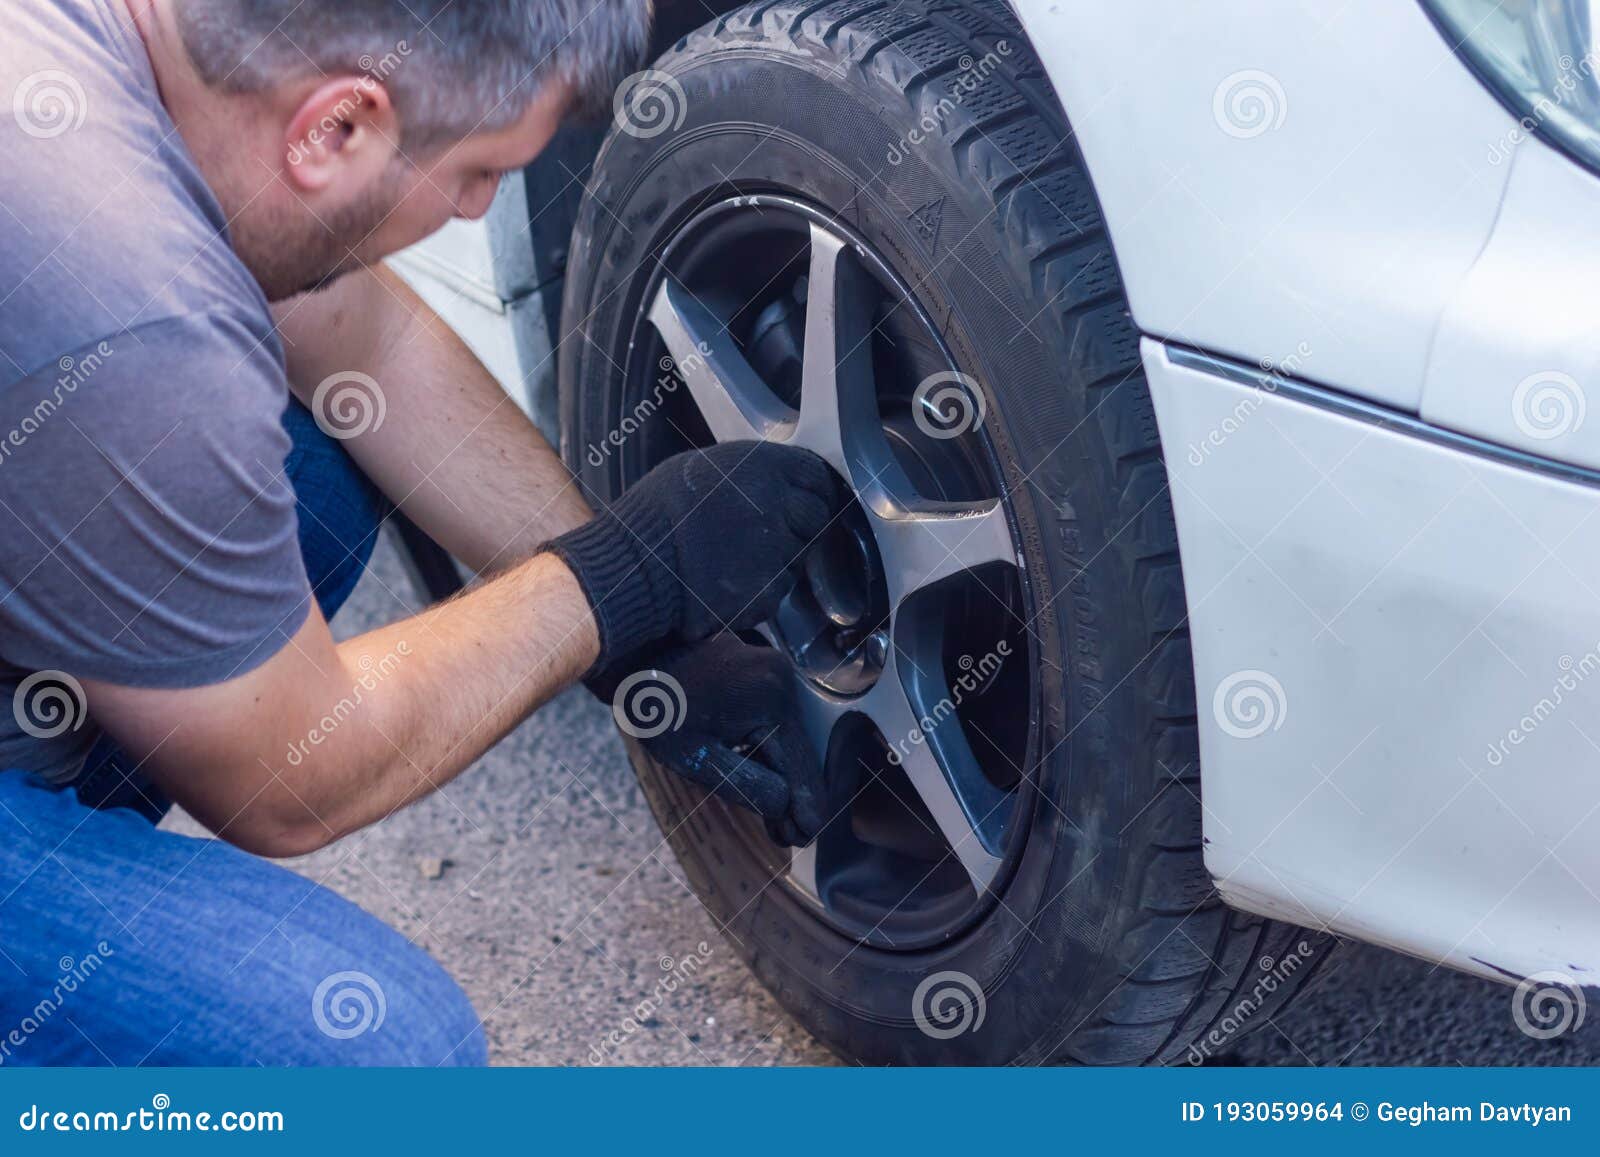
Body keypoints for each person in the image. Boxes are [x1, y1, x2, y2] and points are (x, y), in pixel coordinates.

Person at [0, 0, 842, 1066]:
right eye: (479, 172)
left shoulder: (123, 61)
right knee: (391, 1061)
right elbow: (294, 771)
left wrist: (639, 638)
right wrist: (623, 578)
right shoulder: (130, 304)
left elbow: (366, 339)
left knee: (314, 467)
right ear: (336, 129)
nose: (483, 204)